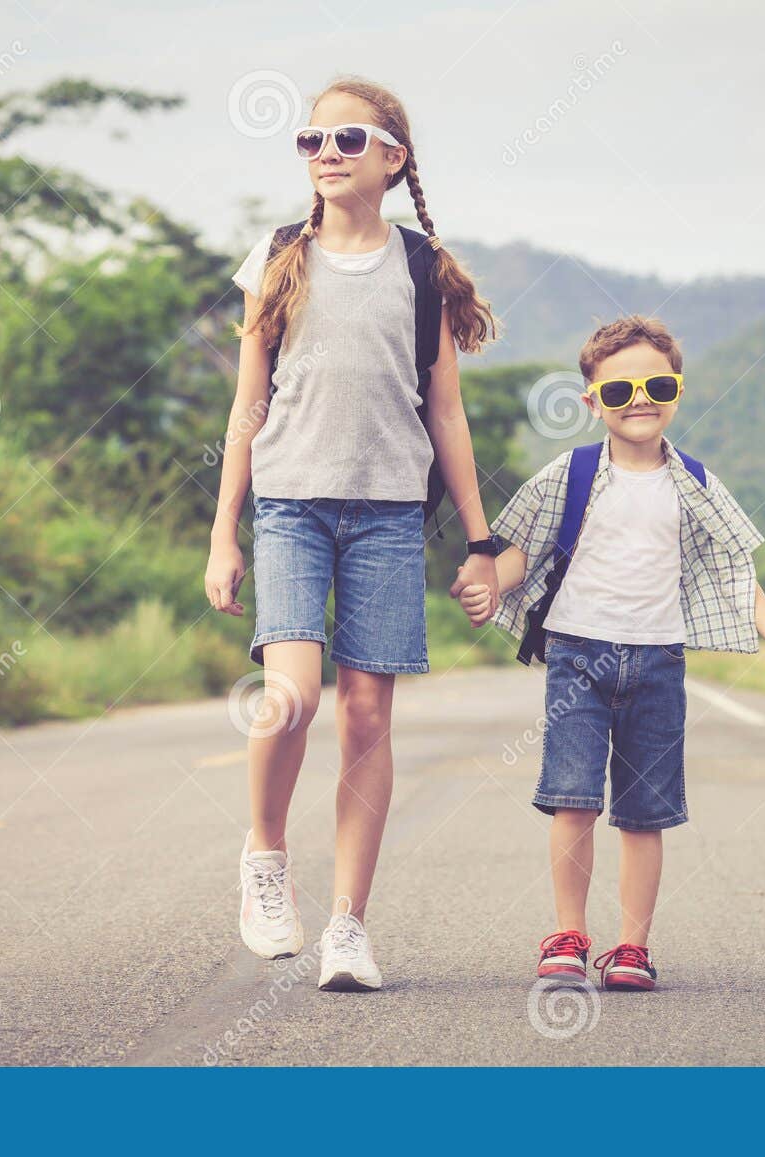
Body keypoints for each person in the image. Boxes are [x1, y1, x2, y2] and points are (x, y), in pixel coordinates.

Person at [205, 76, 500, 992]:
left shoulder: (424, 272)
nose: (325, 152)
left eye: (346, 138)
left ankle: (347, 925)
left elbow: (445, 415)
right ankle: (264, 854)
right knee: (289, 696)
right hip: (290, 505)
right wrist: (226, 531)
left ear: (393, 158)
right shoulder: (279, 259)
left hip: (386, 516)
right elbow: (247, 404)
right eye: (310, 139)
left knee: (367, 716)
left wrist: (482, 544)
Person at [457, 316, 765, 991]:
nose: (640, 400)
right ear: (592, 400)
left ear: (677, 390)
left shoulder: (695, 485)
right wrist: (488, 585)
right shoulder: (569, 474)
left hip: (658, 663)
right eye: (620, 389)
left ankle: (632, 946)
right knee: (572, 798)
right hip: (577, 660)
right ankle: (568, 933)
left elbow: (735, 573)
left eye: (657, 384)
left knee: (644, 810)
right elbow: (521, 551)